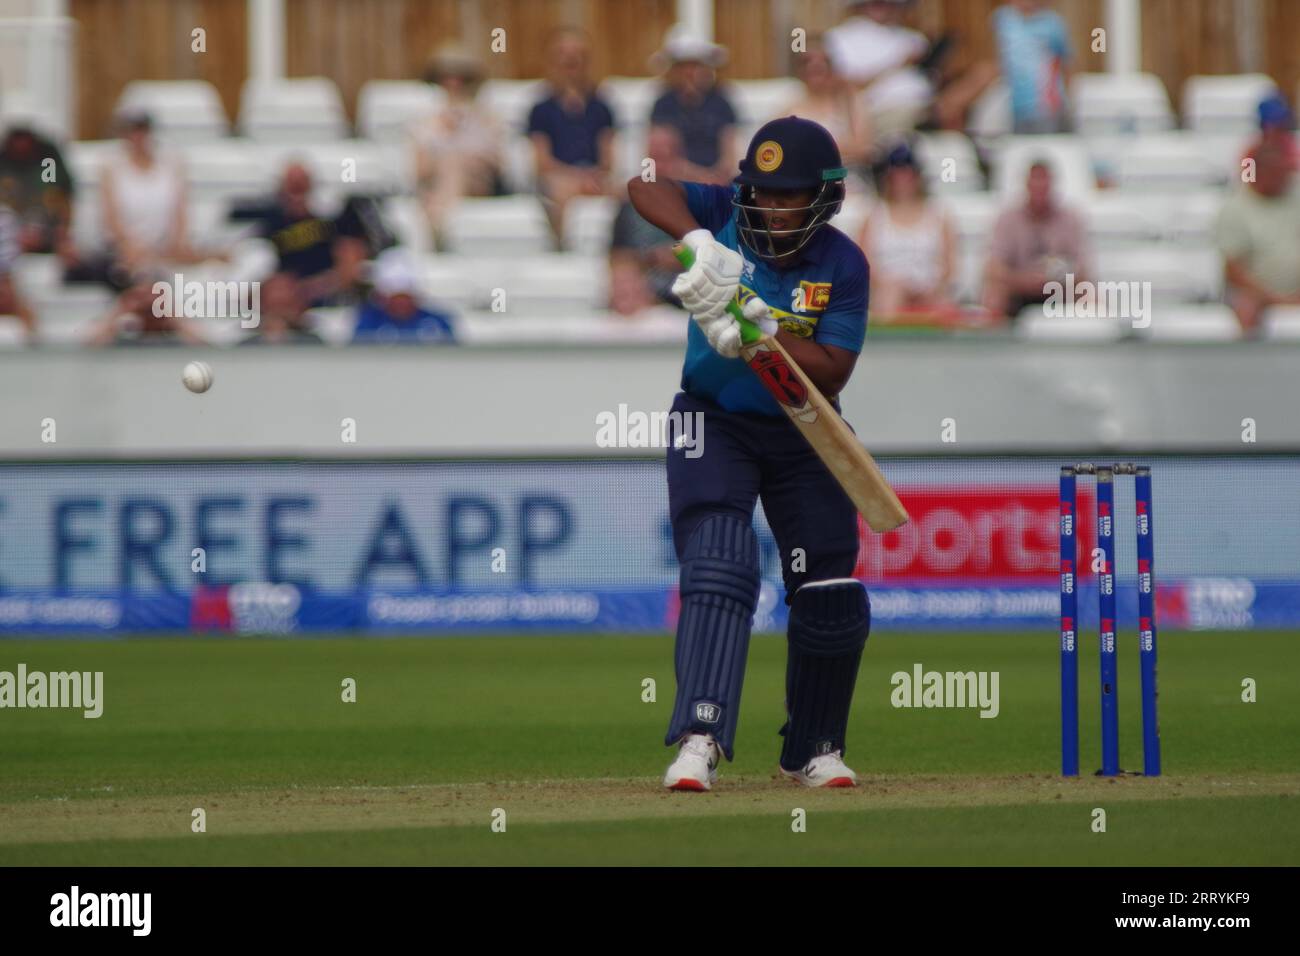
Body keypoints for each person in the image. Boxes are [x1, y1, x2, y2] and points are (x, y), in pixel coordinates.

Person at [628, 116, 874, 791]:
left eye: (788, 194)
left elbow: (832, 370)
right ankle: (699, 739)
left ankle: (813, 748)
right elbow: (642, 184)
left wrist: (758, 327)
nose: (769, 206)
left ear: (823, 200)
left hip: (804, 425)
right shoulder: (723, 211)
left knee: (831, 587)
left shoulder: (844, 264)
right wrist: (699, 242)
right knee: (719, 557)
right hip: (713, 418)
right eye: (761, 192)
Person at [824, 0, 997, 136]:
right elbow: (844, 86)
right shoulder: (841, 38)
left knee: (986, 71)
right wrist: (899, 63)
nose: (881, 7)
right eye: (876, 2)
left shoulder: (913, 38)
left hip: (928, 105)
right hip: (882, 111)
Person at [409, 43, 506, 250]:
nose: (454, 83)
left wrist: (461, 153)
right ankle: (442, 226)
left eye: (461, 77)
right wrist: (444, 133)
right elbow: (420, 170)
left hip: (479, 185)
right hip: (437, 184)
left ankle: (438, 230)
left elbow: (497, 164)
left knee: (454, 165)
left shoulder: (488, 118)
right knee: (450, 169)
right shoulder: (425, 122)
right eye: (446, 77)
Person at [526, 27, 617, 246]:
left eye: (577, 55)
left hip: (595, 177)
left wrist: (591, 177)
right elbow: (542, 163)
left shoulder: (601, 106)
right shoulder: (541, 108)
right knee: (561, 190)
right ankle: (563, 249)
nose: (571, 61)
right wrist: (578, 178)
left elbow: (609, 159)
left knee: (632, 194)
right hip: (559, 177)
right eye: (564, 55)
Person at [857, 142, 956, 322]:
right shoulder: (874, 216)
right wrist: (891, 285)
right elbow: (863, 265)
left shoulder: (938, 215)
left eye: (907, 174)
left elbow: (949, 265)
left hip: (929, 288)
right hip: (887, 291)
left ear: (917, 176)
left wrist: (930, 287)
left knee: (942, 305)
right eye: (896, 175)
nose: (902, 180)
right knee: (890, 296)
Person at [247, 162, 369, 306]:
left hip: (328, 290)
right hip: (286, 294)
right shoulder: (271, 223)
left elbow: (352, 257)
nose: (297, 188)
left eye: (301, 182)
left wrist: (317, 286)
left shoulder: (332, 218)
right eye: (292, 183)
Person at [982, 161, 1091, 320]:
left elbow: (1082, 268)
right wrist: (1023, 280)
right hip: (1017, 290)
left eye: (1044, 184)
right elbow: (993, 267)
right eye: (1035, 183)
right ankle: (994, 341)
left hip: (1059, 288)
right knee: (994, 293)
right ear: (1027, 185)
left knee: (1088, 293)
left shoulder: (1070, 219)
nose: (1040, 189)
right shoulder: (1008, 219)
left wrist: (1055, 277)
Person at [1216, 142, 1300, 336]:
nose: (1286, 177)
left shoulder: (1295, 198)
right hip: (1255, 293)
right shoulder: (1235, 209)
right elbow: (1233, 269)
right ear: (1261, 171)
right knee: (1246, 308)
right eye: (1279, 170)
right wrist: (1271, 297)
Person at [609, 125, 687, 316]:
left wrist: (679, 256)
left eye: (664, 158)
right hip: (642, 292)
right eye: (652, 160)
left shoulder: (700, 204)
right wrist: (649, 258)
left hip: (688, 291)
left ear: (677, 161)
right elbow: (617, 257)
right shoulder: (629, 206)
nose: (658, 167)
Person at [648, 26, 738, 185]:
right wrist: (700, 176)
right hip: (676, 185)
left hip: (717, 184)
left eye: (695, 65)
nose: (689, 72)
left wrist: (716, 177)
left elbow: (729, 156)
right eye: (682, 66)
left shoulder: (721, 103)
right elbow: (661, 161)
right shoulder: (663, 105)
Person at [781, 38, 874, 182]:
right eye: (808, 63)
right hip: (804, 182)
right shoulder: (790, 108)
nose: (815, 67)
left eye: (822, 63)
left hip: (846, 177)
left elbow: (864, 149)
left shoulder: (849, 101)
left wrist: (810, 147)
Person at [992, 0, 1073, 134]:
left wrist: (1069, 102)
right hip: (1015, 106)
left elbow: (1066, 64)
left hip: (1046, 108)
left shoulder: (1052, 24)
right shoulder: (1003, 19)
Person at [0, 119, 74, 255]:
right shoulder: (4, 163)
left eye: (25, 137)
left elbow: (57, 196)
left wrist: (58, 232)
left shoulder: (48, 161)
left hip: (45, 231)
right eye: (17, 137)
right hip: (8, 234)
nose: (21, 144)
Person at [352, 249, 455, 343]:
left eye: (405, 297)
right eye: (395, 297)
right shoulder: (369, 322)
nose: (401, 303)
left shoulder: (437, 323)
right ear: (383, 297)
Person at [238, 273, 324, 346]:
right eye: (274, 307)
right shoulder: (244, 348)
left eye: (287, 306)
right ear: (260, 305)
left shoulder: (316, 345)